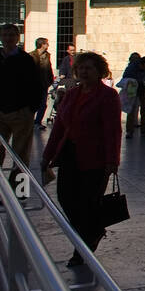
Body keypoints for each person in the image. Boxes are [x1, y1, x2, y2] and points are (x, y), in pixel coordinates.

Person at [42, 51, 121, 270]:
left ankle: (82, 250)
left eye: (89, 68)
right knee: (66, 199)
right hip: (70, 155)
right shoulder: (72, 94)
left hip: (94, 159)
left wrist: (112, 160)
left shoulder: (108, 96)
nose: (84, 72)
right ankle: (93, 232)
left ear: (99, 72)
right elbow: (59, 127)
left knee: (87, 204)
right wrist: (47, 155)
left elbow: (113, 130)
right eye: (81, 68)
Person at [0, 23, 43, 196]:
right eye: (5, 35)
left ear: (18, 37)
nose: (8, 38)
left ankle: (19, 191)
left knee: (21, 153)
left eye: (12, 35)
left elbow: (35, 84)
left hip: (20, 112)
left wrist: (30, 109)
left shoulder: (26, 59)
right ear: (0, 37)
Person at [117, 54, 143, 138]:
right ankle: (132, 129)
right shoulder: (139, 67)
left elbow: (125, 76)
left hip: (130, 90)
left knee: (130, 109)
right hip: (136, 89)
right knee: (134, 109)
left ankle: (129, 130)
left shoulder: (129, 67)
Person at [32, 37, 55, 127]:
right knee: (33, 103)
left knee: (43, 104)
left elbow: (49, 69)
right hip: (33, 85)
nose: (48, 45)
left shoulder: (47, 56)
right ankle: (29, 121)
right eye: (46, 43)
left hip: (43, 84)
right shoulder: (31, 55)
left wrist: (50, 80)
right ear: (42, 44)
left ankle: (38, 122)